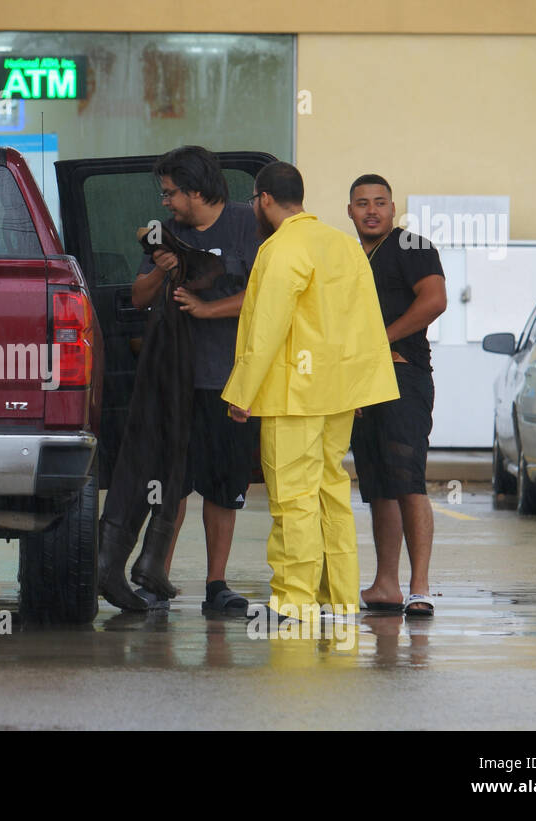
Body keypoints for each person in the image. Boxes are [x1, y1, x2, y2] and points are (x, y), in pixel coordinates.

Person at [220, 161, 398, 622]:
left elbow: (267, 325)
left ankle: (294, 600)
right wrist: (359, 388)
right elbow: (363, 321)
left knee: (293, 498)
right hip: (336, 393)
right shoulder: (342, 244)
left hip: (291, 394)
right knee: (330, 493)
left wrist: (242, 390)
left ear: (263, 199)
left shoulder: (281, 249)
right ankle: (336, 598)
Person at [126, 145, 260, 614]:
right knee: (171, 484)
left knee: (224, 486)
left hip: (231, 378)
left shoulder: (247, 223)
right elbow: (138, 297)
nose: (164, 203)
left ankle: (216, 584)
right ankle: (153, 576)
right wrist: (161, 272)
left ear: (196, 190)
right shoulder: (165, 232)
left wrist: (207, 308)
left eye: (170, 193)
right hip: (176, 378)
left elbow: (264, 295)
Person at [346, 174, 447, 617]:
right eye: (362, 203)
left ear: (393, 208)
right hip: (357, 381)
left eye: (380, 202)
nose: (371, 210)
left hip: (403, 376)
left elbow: (435, 300)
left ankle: (419, 587)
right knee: (377, 487)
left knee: (407, 480)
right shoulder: (347, 256)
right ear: (349, 210)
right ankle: (385, 584)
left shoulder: (412, 247)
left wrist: (382, 339)